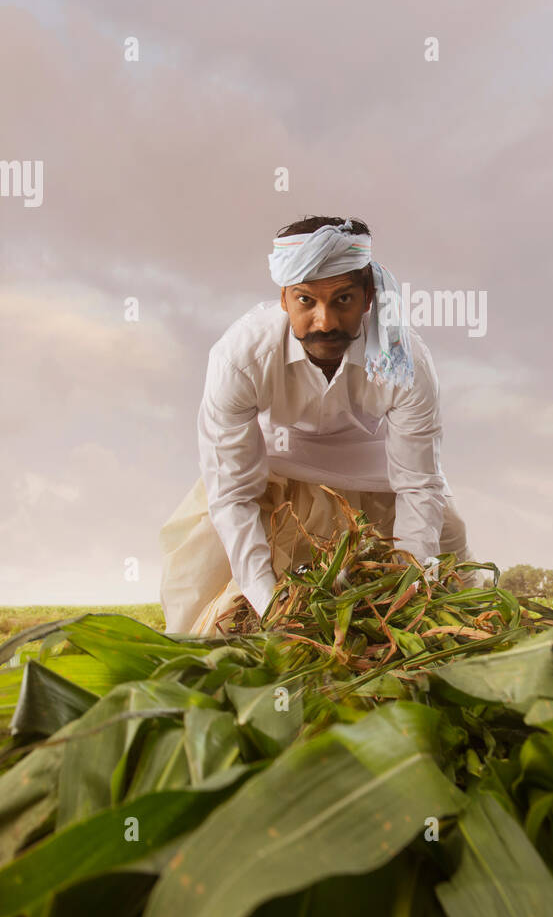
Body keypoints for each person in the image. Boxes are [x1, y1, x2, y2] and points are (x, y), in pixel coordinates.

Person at [158, 214, 479, 634]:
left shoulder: (406, 360)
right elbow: (233, 492)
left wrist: (408, 590)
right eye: (306, 300)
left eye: (342, 299)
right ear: (284, 299)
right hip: (271, 473)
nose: (324, 321)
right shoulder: (238, 358)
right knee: (204, 608)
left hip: (377, 478)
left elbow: (418, 484)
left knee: (455, 594)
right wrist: (268, 600)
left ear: (367, 297)